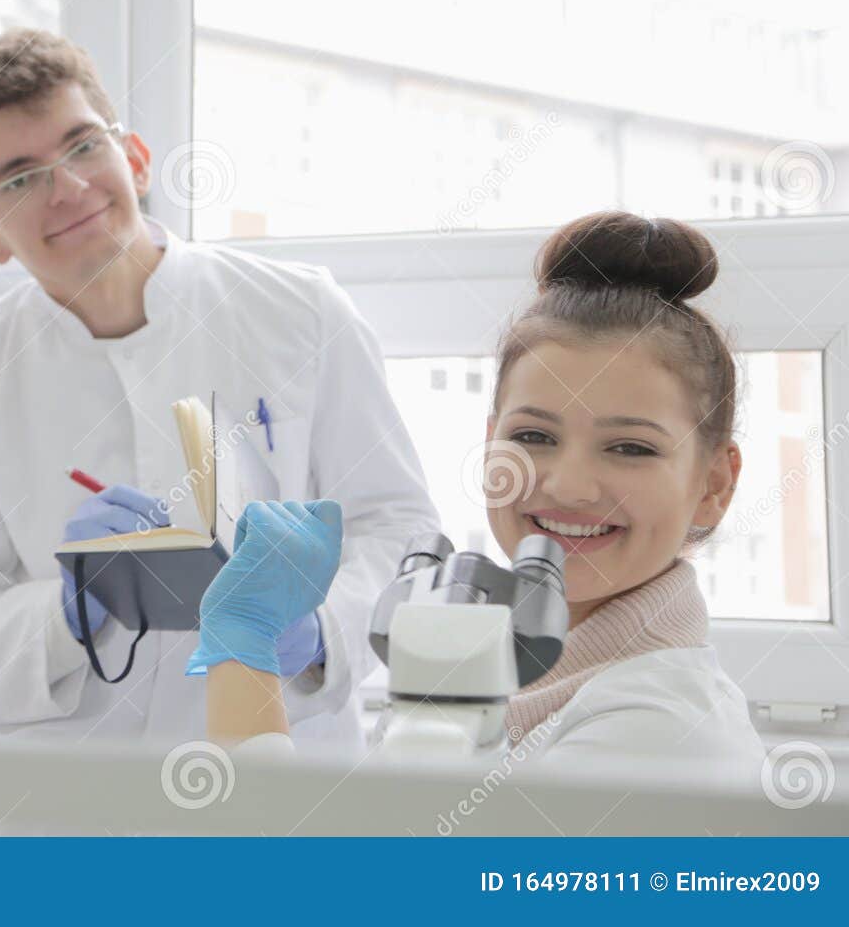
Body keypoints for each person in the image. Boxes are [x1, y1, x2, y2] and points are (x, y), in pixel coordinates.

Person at [0, 28, 440, 746]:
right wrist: (69, 611)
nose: (69, 188)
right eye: (20, 178)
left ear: (136, 158)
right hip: (63, 798)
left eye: (83, 146)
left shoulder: (302, 312)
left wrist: (318, 630)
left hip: (278, 775)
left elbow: (401, 528)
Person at [197, 212, 765, 776]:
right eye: (534, 436)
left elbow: (293, 839)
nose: (567, 485)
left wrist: (246, 647)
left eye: (631, 447)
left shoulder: (663, 728)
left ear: (715, 483)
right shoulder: (489, 668)